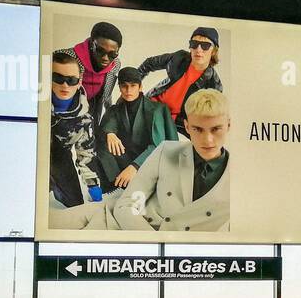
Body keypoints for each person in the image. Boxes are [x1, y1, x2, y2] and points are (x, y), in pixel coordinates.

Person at [53, 88, 231, 233]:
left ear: (229, 125)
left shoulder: (243, 177)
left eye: (216, 129)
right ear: (186, 127)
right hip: (110, 218)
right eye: (198, 129)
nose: (207, 140)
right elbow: (125, 204)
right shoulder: (166, 150)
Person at [94, 66, 176, 192]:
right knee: (102, 142)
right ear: (119, 87)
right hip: (126, 161)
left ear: (140, 87)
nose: (128, 90)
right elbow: (109, 122)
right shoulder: (116, 109)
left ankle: (131, 185)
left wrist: (134, 166)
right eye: (124, 86)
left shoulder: (157, 110)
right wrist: (110, 133)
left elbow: (158, 146)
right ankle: (115, 186)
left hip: (151, 163)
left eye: (133, 85)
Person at [141, 26, 225, 135]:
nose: (198, 50)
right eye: (194, 44)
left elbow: (207, 119)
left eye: (205, 46)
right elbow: (149, 63)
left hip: (175, 121)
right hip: (153, 104)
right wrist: (135, 84)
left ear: (213, 51)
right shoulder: (179, 58)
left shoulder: (214, 85)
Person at [48, 49, 101, 209]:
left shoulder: (84, 119)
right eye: (58, 78)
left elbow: (86, 154)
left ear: (79, 82)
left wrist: (93, 186)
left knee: (75, 204)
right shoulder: (32, 103)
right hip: (29, 154)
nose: (64, 85)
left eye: (71, 80)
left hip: (59, 156)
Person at [73, 21, 122, 127]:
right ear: (91, 44)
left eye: (112, 54)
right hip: (71, 105)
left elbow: (107, 93)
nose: (105, 58)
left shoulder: (116, 64)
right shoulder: (70, 58)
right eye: (100, 50)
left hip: (95, 104)